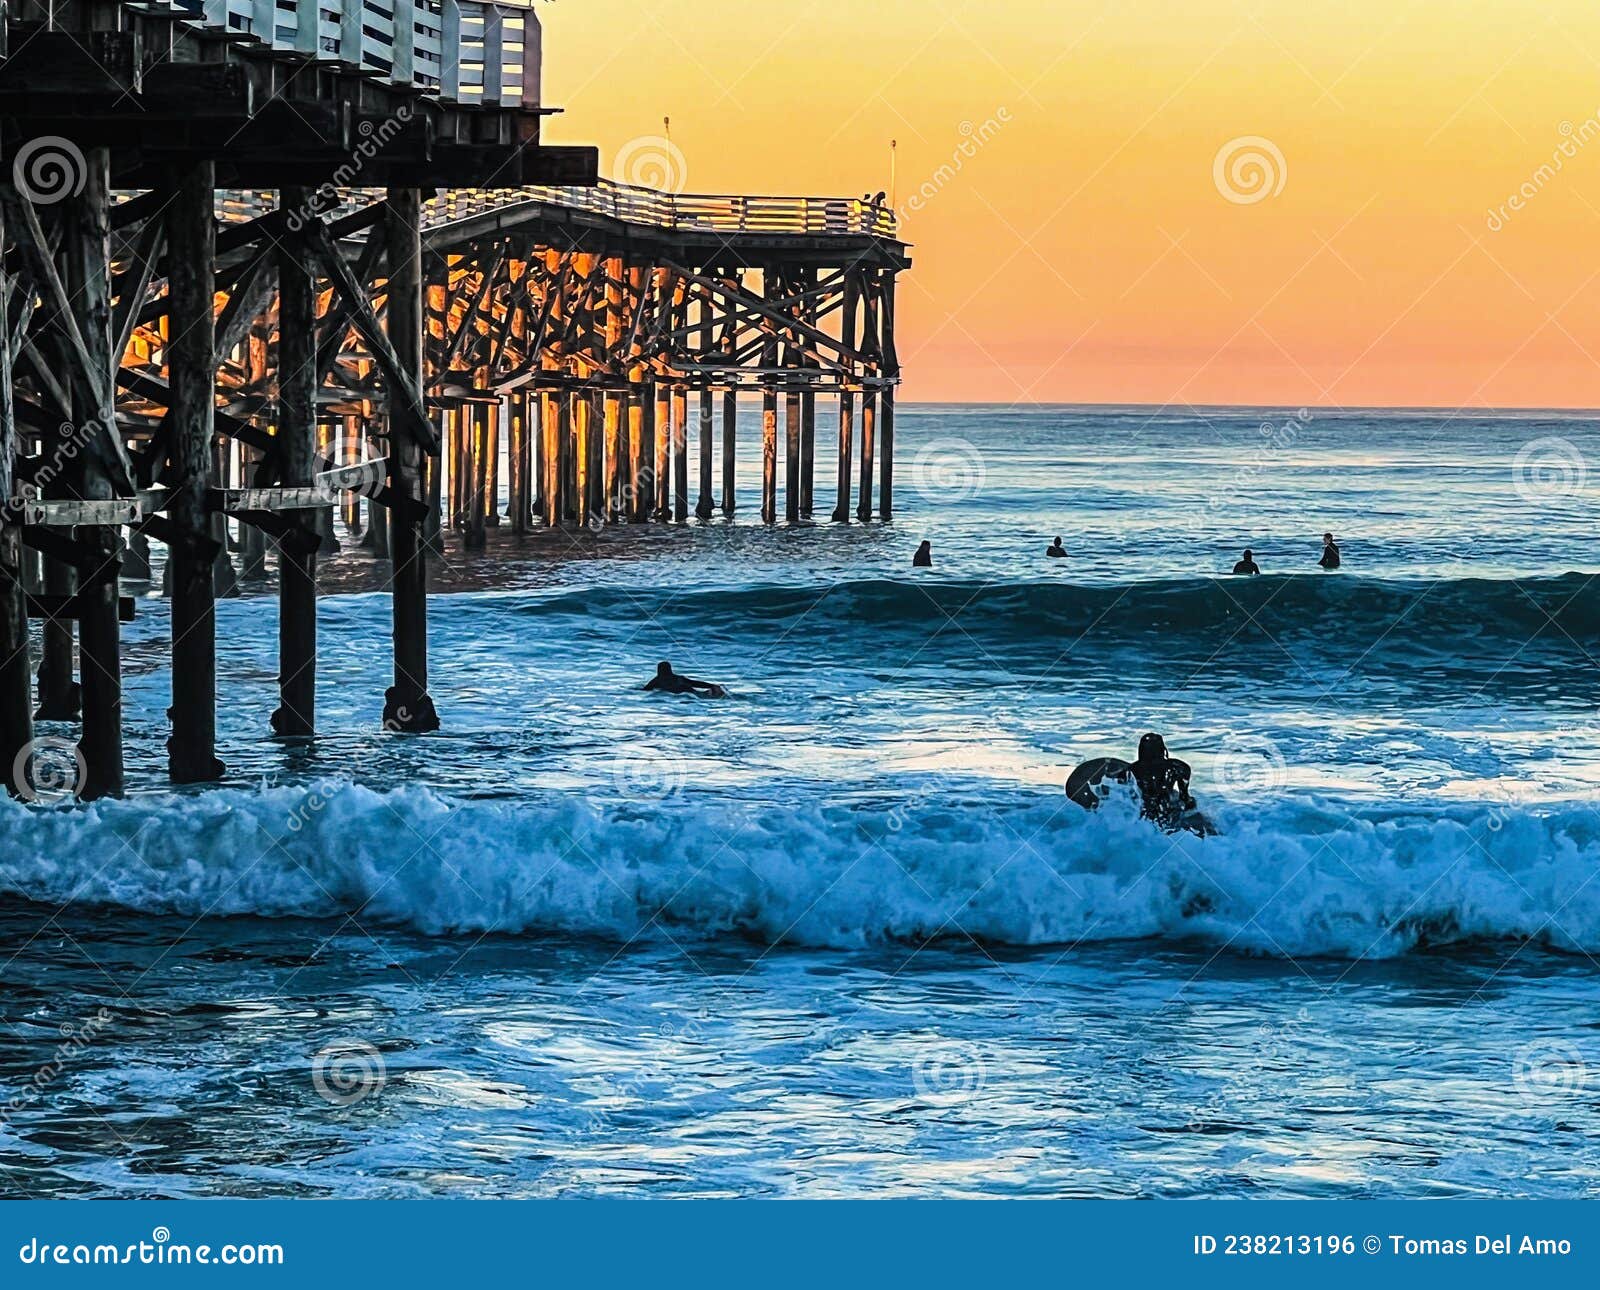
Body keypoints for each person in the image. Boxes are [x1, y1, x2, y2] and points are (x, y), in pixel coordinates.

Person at [1128, 732, 1196, 831]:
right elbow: (1184, 797)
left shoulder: (1129, 771)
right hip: (1168, 814)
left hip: (1141, 818)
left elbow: (1126, 799)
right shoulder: (1179, 767)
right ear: (1162, 750)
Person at [643, 661, 726, 698]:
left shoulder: (657, 680)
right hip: (689, 690)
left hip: (678, 694)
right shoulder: (679, 678)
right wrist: (711, 685)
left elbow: (646, 690)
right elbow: (695, 683)